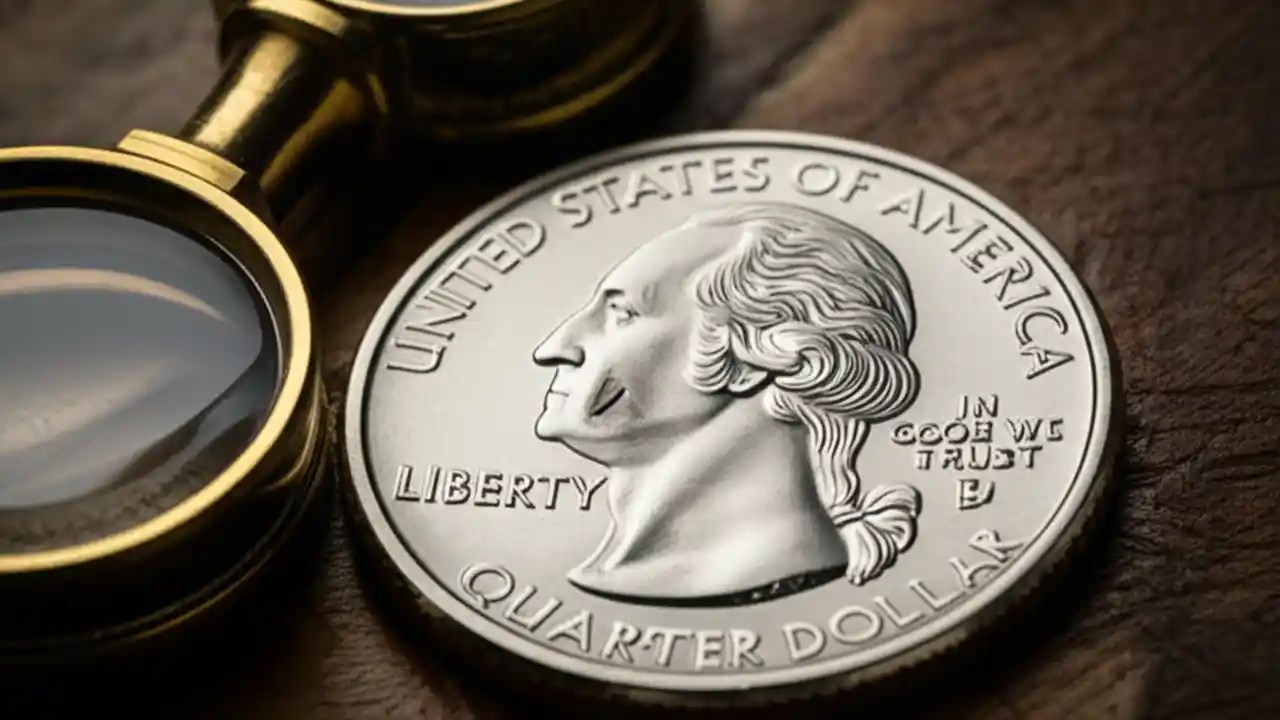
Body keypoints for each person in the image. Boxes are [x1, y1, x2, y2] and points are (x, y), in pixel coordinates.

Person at [533, 201, 921, 606]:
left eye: (623, 313)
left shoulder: (762, 570)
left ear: (760, 352)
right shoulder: (623, 571)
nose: (553, 347)